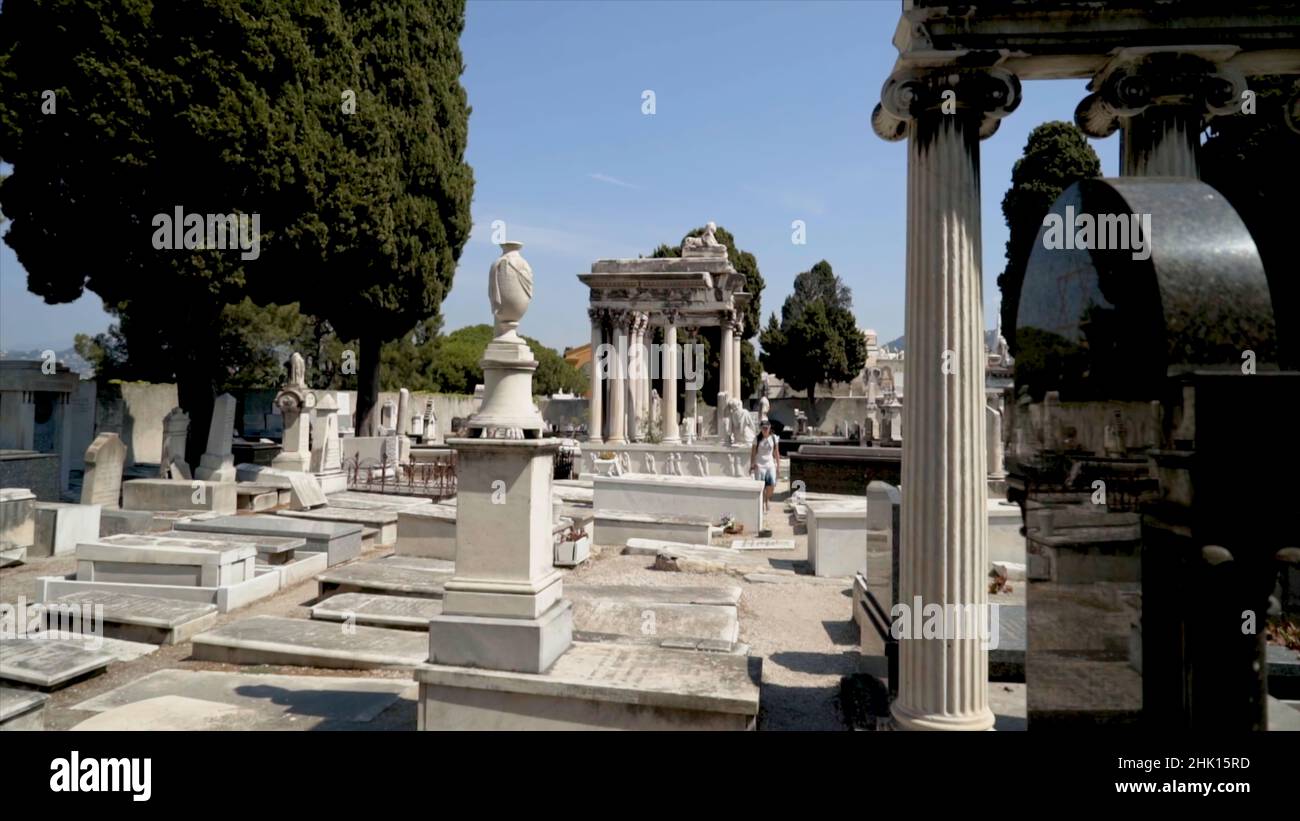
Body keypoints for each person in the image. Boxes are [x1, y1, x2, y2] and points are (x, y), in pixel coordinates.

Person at [750, 419, 780, 512]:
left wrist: (778, 465)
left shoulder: (774, 438)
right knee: (761, 485)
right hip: (759, 464)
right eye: (763, 428)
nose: (765, 430)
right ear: (761, 429)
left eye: (767, 428)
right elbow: (753, 453)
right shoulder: (757, 439)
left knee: (771, 485)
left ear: (769, 428)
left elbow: (776, 452)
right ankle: (762, 501)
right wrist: (752, 464)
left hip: (770, 464)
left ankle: (767, 499)